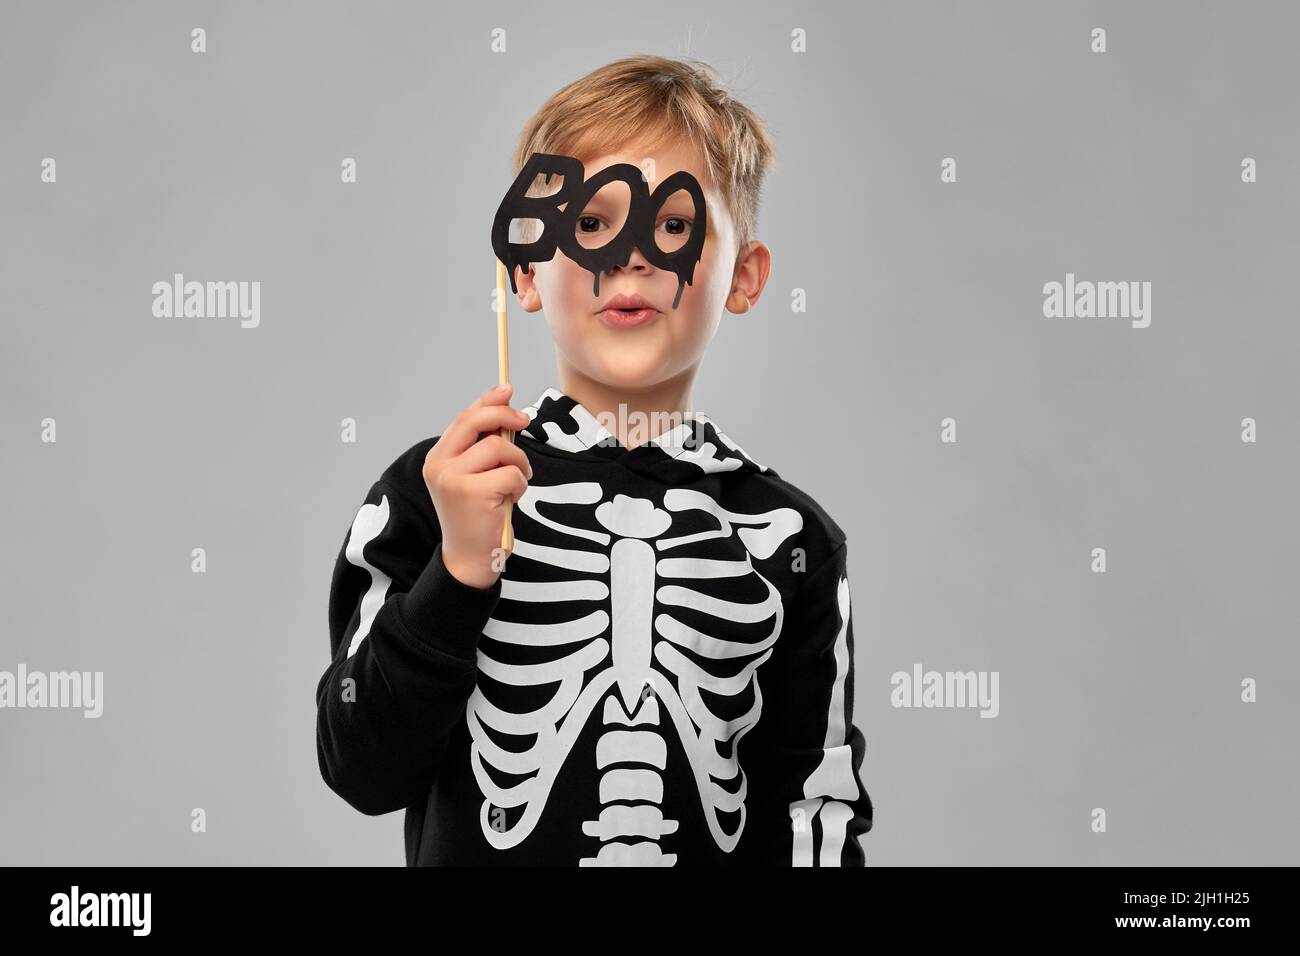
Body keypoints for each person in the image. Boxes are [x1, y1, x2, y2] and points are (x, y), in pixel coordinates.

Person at [315, 54, 873, 866]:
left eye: (675, 226)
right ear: (526, 269)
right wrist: (459, 570)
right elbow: (360, 765)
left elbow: (815, 814)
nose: (632, 256)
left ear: (744, 277)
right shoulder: (438, 490)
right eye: (589, 224)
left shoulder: (790, 539)